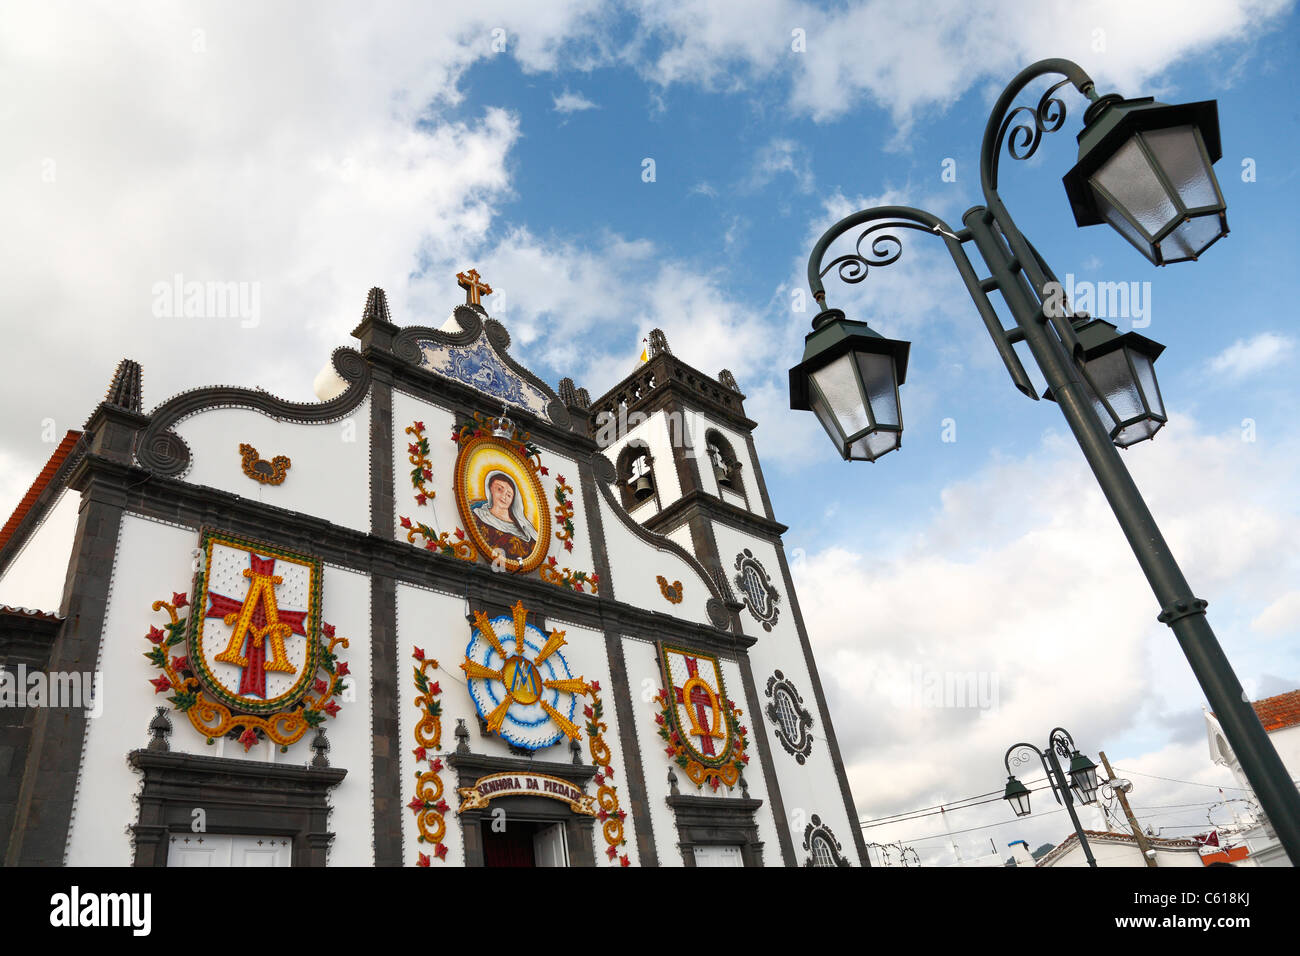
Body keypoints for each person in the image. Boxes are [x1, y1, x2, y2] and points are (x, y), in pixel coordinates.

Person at [471, 471, 537, 560]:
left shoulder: (525, 528)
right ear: (490, 489)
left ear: (513, 500)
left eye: (509, 495)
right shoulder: (477, 516)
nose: (504, 496)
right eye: (499, 489)